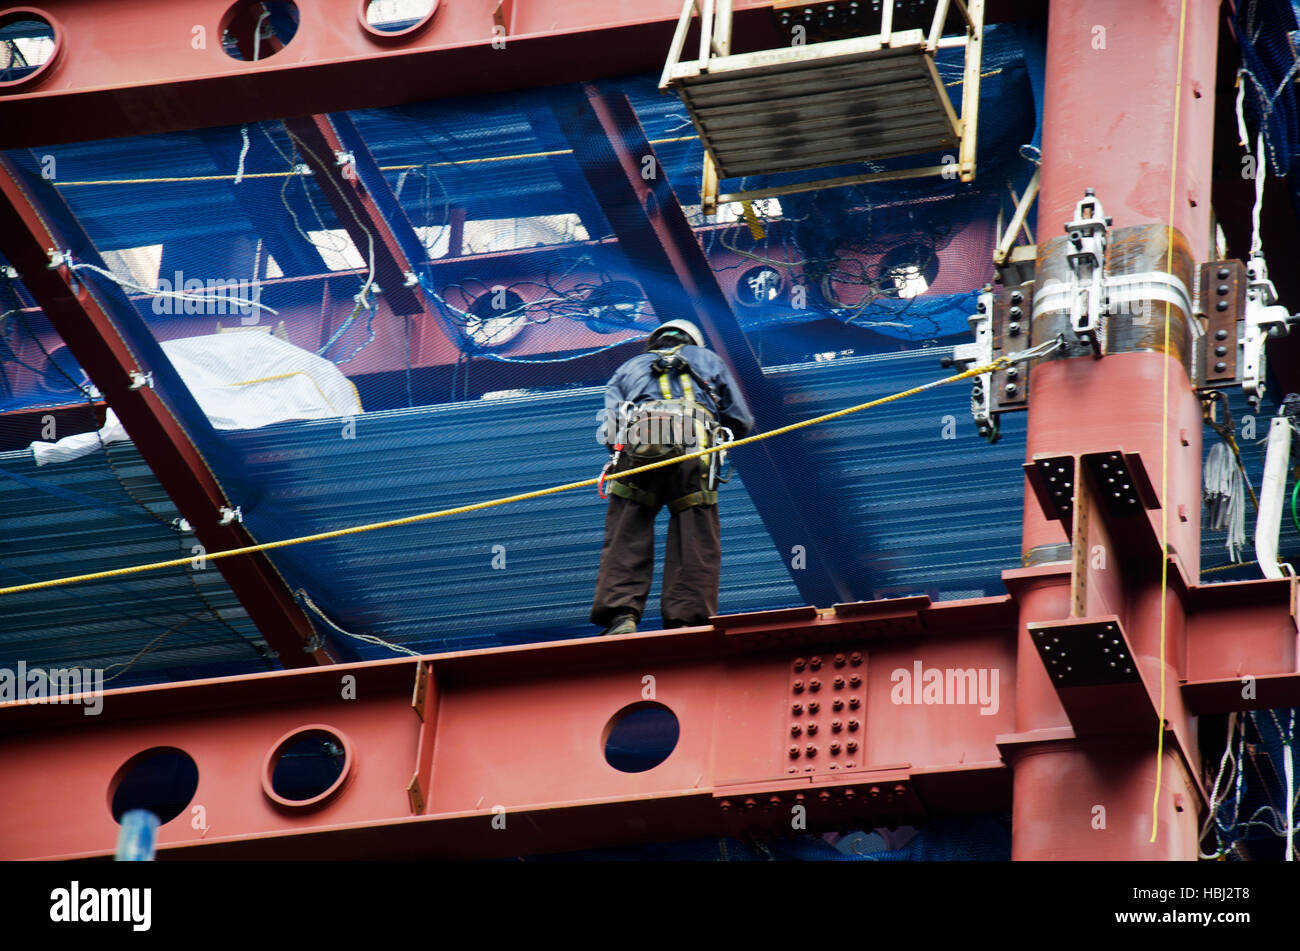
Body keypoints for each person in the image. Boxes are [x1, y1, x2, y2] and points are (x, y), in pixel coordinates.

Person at [590, 319, 754, 636]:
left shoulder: (629, 366)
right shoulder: (709, 360)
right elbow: (741, 419)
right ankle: (687, 622)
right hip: (696, 448)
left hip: (641, 444)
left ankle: (621, 617)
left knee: (628, 527)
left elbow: (611, 430)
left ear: (655, 342)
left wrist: (621, 451)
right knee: (696, 529)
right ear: (693, 343)